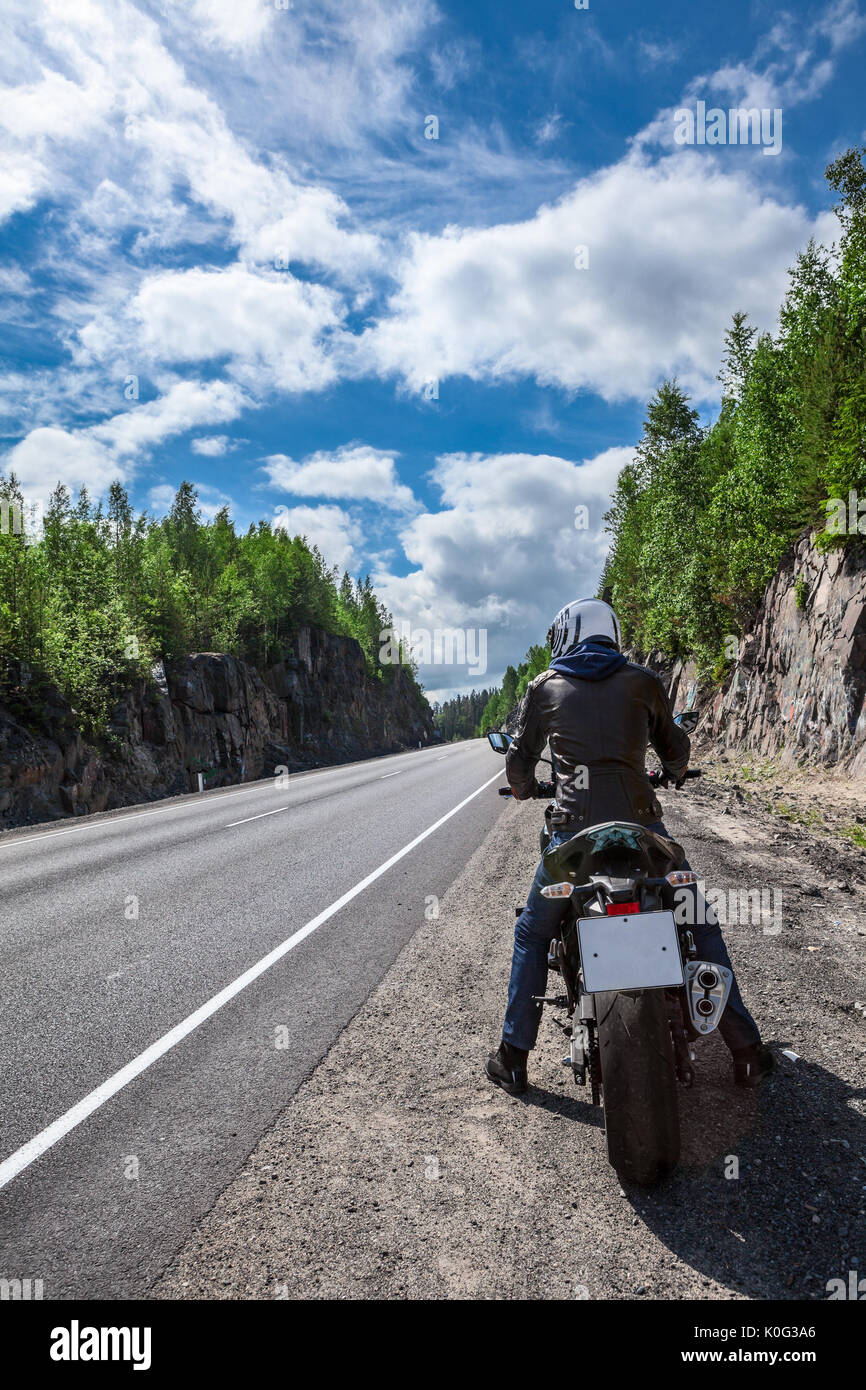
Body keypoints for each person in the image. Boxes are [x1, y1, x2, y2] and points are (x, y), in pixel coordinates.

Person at [486, 597, 774, 1097]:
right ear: (610, 633)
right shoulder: (643, 682)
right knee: (697, 922)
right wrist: (675, 774)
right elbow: (675, 748)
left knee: (533, 933)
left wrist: (526, 787)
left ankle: (513, 1059)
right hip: (644, 834)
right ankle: (746, 1051)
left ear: (565, 635)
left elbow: (520, 761)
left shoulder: (546, 686)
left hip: (572, 839)